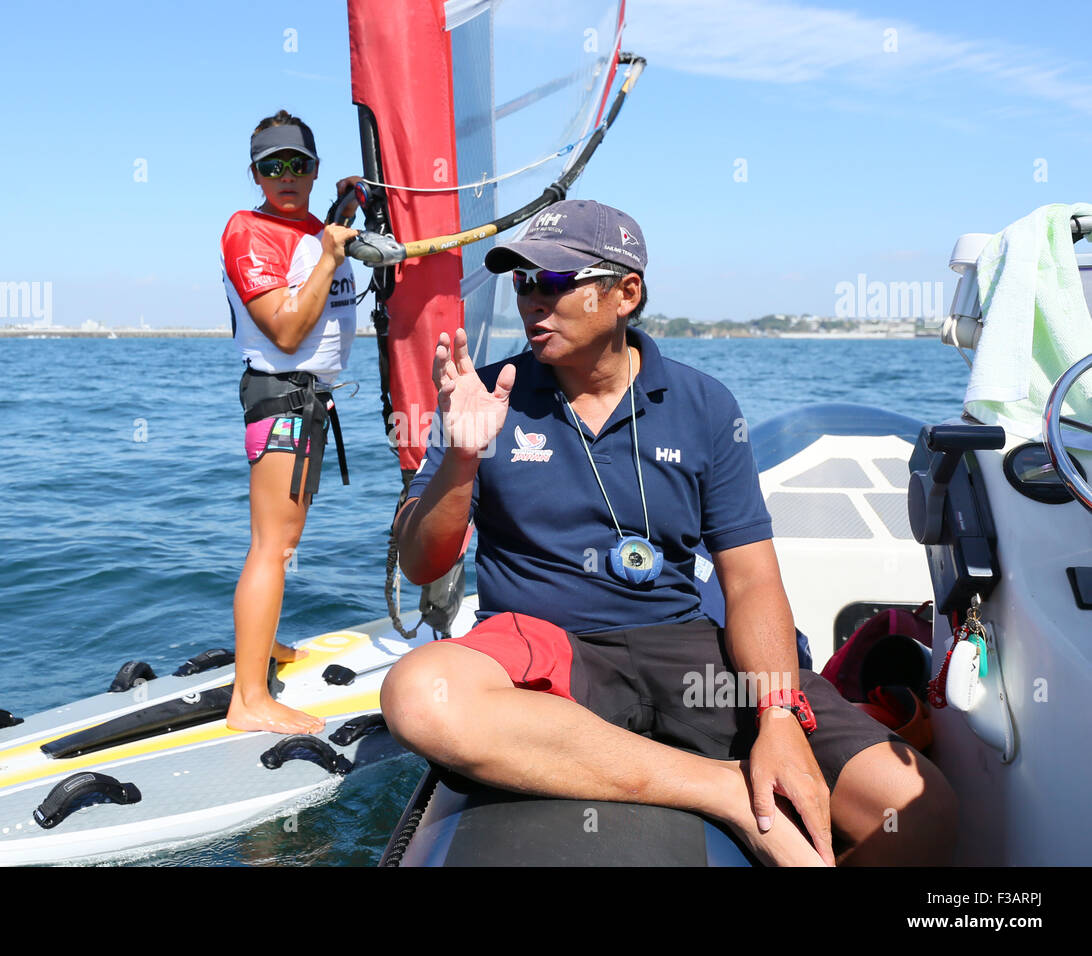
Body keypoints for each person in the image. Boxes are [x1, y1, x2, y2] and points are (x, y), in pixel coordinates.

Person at [380, 199, 958, 865]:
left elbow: (750, 580)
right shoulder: (483, 398)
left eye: (556, 281)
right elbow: (423, 566)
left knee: (920, 813)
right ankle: (724, 791)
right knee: (419, 695)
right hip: (548, 652)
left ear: (626, 293)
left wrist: (776, 715)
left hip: (686, 651)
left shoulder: (704, 405)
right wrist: (460, 457)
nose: (533, 301)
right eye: (522, 283)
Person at [219, 110, 360, 733]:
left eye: (297, 164)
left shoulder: (316, 230)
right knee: (270, 546)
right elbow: (285, 328)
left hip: (312, 401)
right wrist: (332, 252)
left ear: (314, 170)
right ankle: (248, 700)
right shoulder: (249, 231)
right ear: (254, 174)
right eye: (271, 166)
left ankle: (263, 643)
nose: (285, 175)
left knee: (286, 542)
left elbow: (320, 257)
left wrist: (345, 214)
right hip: (281, 396)